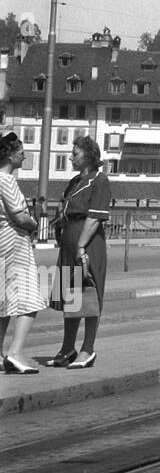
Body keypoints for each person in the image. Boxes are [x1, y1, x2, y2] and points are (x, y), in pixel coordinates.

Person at [50, 135, 112, 368]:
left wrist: (80, 245)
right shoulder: (75, 181)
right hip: (69, 242)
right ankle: (67, 348)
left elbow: (95, 217)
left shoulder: (100, 181)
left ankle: (88, 349)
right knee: (71, 297)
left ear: (88, 156)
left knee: (88, 295)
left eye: (75, 154)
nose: (70, 158)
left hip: (87, 244)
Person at [0, 132, 45, 374]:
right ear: (9, 155)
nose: (24, 155)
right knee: (30, 298)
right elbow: (18, 215)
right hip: (14, 245)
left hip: (1, 244)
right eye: (20, 152)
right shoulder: (6, 180)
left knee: (2, 302)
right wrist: (34, 223)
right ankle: (15, 353)